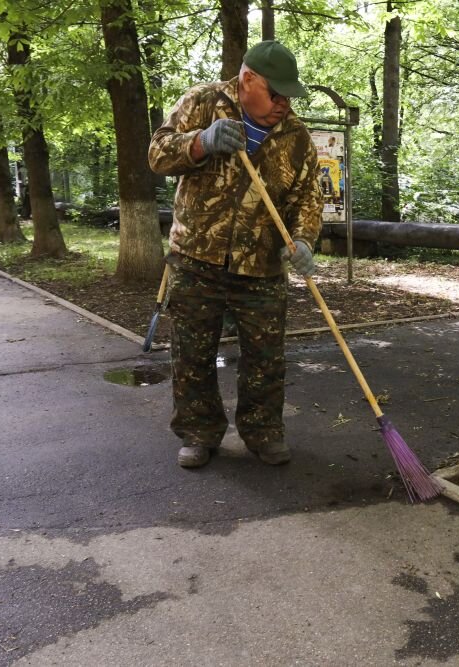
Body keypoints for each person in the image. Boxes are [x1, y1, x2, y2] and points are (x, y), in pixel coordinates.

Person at [148, 40, 323, 469]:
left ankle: (263, 432)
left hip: (261, 267)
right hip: (196, 259)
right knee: (191, 353)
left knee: (265, 357)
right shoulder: (204, 102)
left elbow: (307, 199)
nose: (283, 104)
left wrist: (303, 241)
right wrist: (199, 143)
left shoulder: (296, 137)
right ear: (248, 80)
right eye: (275, 94)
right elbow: (157, 154)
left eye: (287, 96)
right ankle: (198, 432)